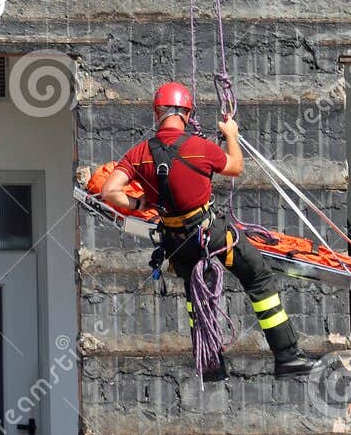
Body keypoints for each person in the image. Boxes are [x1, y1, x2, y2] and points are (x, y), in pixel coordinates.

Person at [102, 81, 315, 381]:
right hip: (209, 233)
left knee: (196, 295)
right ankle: (287, 355)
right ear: (187, 114)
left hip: (177, 242)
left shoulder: (139, 154)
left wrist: (139, 202)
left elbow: (109, 190)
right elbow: (236, 166)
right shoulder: (200, 148)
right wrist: (231, 136)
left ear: (157, 112)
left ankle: (211, 363)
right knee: (258, 277)